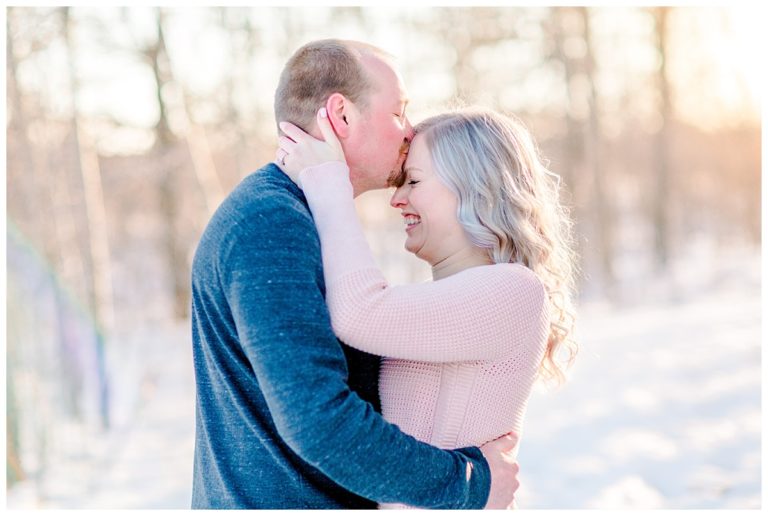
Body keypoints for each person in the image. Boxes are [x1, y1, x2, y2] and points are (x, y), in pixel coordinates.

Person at [190, 39, 521, 509]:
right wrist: (468, 484)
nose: (409, 130)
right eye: (398, 112)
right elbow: (317, 421)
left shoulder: (304, 216)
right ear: (341, 115)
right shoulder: (271, 222)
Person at [276, 106, 578, 509]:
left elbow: (358, 312)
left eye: (413, 181)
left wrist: (329, 181)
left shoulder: (514, 291)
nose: (397, 199)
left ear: (478, 188)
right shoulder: (437, 303)